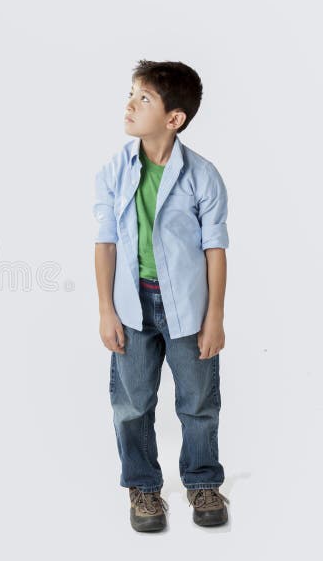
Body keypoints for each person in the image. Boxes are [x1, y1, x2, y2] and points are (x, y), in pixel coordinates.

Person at [93, 60, 230, 532]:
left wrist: (215, 317)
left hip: (188, 311)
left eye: (145, 98)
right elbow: (105, 242)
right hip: (132, 307)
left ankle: (203, 481)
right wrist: (106, 310)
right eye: (131, 92)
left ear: (175, 119)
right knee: (131, 404)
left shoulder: (202, 176)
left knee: (198, 402)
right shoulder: (114, 171)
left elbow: (215, 250)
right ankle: (144, 488)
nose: (130, 104)